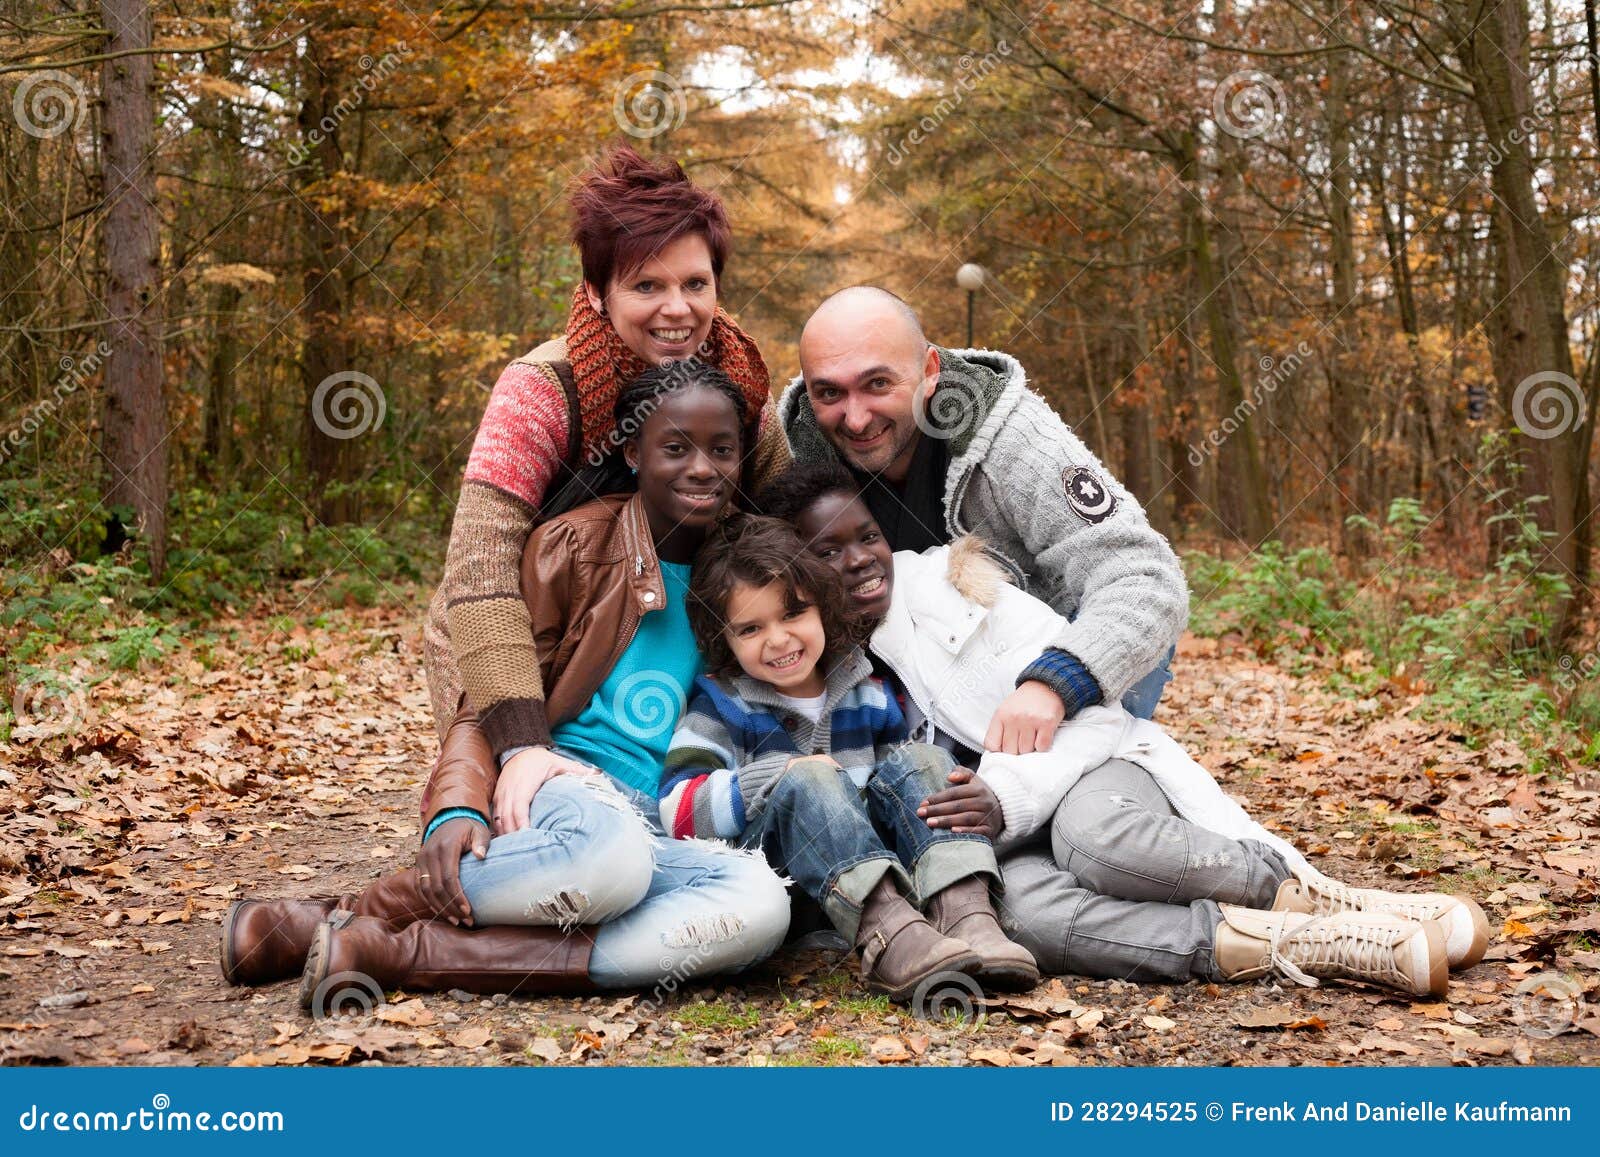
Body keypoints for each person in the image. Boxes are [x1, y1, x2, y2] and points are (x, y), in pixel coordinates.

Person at [757, 463, 1490, 997]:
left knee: (1095, 841)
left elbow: (1098, 720)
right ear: (791, 569)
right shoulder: (804, 665)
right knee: (1029, 921)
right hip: (994, 842)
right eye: (826, 551)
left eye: (866, 536)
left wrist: (1005, 797)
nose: (858, 560)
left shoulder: (961, 593)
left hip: (1091, 770)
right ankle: (1306, 943)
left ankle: (1324, 896)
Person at [222, 363, 790, 1007]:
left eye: (723, 450)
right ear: (634, 453)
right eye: (676, 448)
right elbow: (489, 698)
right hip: (564, 791)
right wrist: (458, 807)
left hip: (665, 818)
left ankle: (395, 952)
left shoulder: (751, 564)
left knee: (760, 903)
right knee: (612, 861)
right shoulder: (572, 547)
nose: (702, 469)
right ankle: (354, 911)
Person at [426, 144, 789, 785]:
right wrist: (521, 743)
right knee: (527, 815)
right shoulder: (541, 390)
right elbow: (480, 571)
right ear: (596, 293)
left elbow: (795, 532)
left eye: (695, 284)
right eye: (647, 286)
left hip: (673, 648)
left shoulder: (740, 392)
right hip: (527, 642)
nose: (677, 309)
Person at [782, 286, 1185, 746]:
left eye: (877, 384)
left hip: (1041, 664)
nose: (855, 419)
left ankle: (1098, 755)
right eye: (829, 392)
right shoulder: (794, 458)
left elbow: (1144, 575)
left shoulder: (1014, 439)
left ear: (929, 371)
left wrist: (1056, 682)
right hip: (904, 693)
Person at [657, 515, 1038, 998]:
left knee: (923, 760)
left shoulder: (869, 692)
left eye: (793, 614)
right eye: (750, 628)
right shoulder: (722, 703)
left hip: (891, 881)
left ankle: (965, 914)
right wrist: (778, 776)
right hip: (792, 889)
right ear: (724, 638)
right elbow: (678, 811)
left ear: (822, 607)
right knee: (808, 780)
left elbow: (902, 800)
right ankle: (887, 935)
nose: (778, 639)